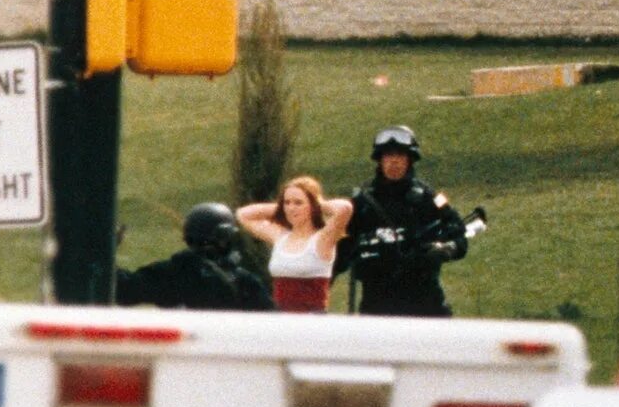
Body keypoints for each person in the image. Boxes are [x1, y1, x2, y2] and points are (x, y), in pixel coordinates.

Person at [336, 126, 469, 317]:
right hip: (377, 302)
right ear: (380, 160)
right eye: (388, 156)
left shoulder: (430, 198)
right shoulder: (362, 202)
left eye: (400, 156)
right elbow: (340, 251)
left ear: (410, 160)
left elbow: (458, 234)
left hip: (424, 301)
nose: (394, 161)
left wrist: (445, 248)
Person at [116, 203, 274, 311]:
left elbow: (124, 291)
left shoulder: (170, 273)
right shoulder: (243, 282)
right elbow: (272, 322)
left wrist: (107, 249)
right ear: (225, 236)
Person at [236, 176, 354, 313]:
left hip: (311, 320)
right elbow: (243, 214)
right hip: (282, 319)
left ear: (312, 206)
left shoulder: (322, 239)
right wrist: (282, 207)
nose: (291, 208)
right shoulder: (280, 236)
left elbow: (345, 208)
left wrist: (317, 204)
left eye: (298, 203)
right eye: (287, 203)